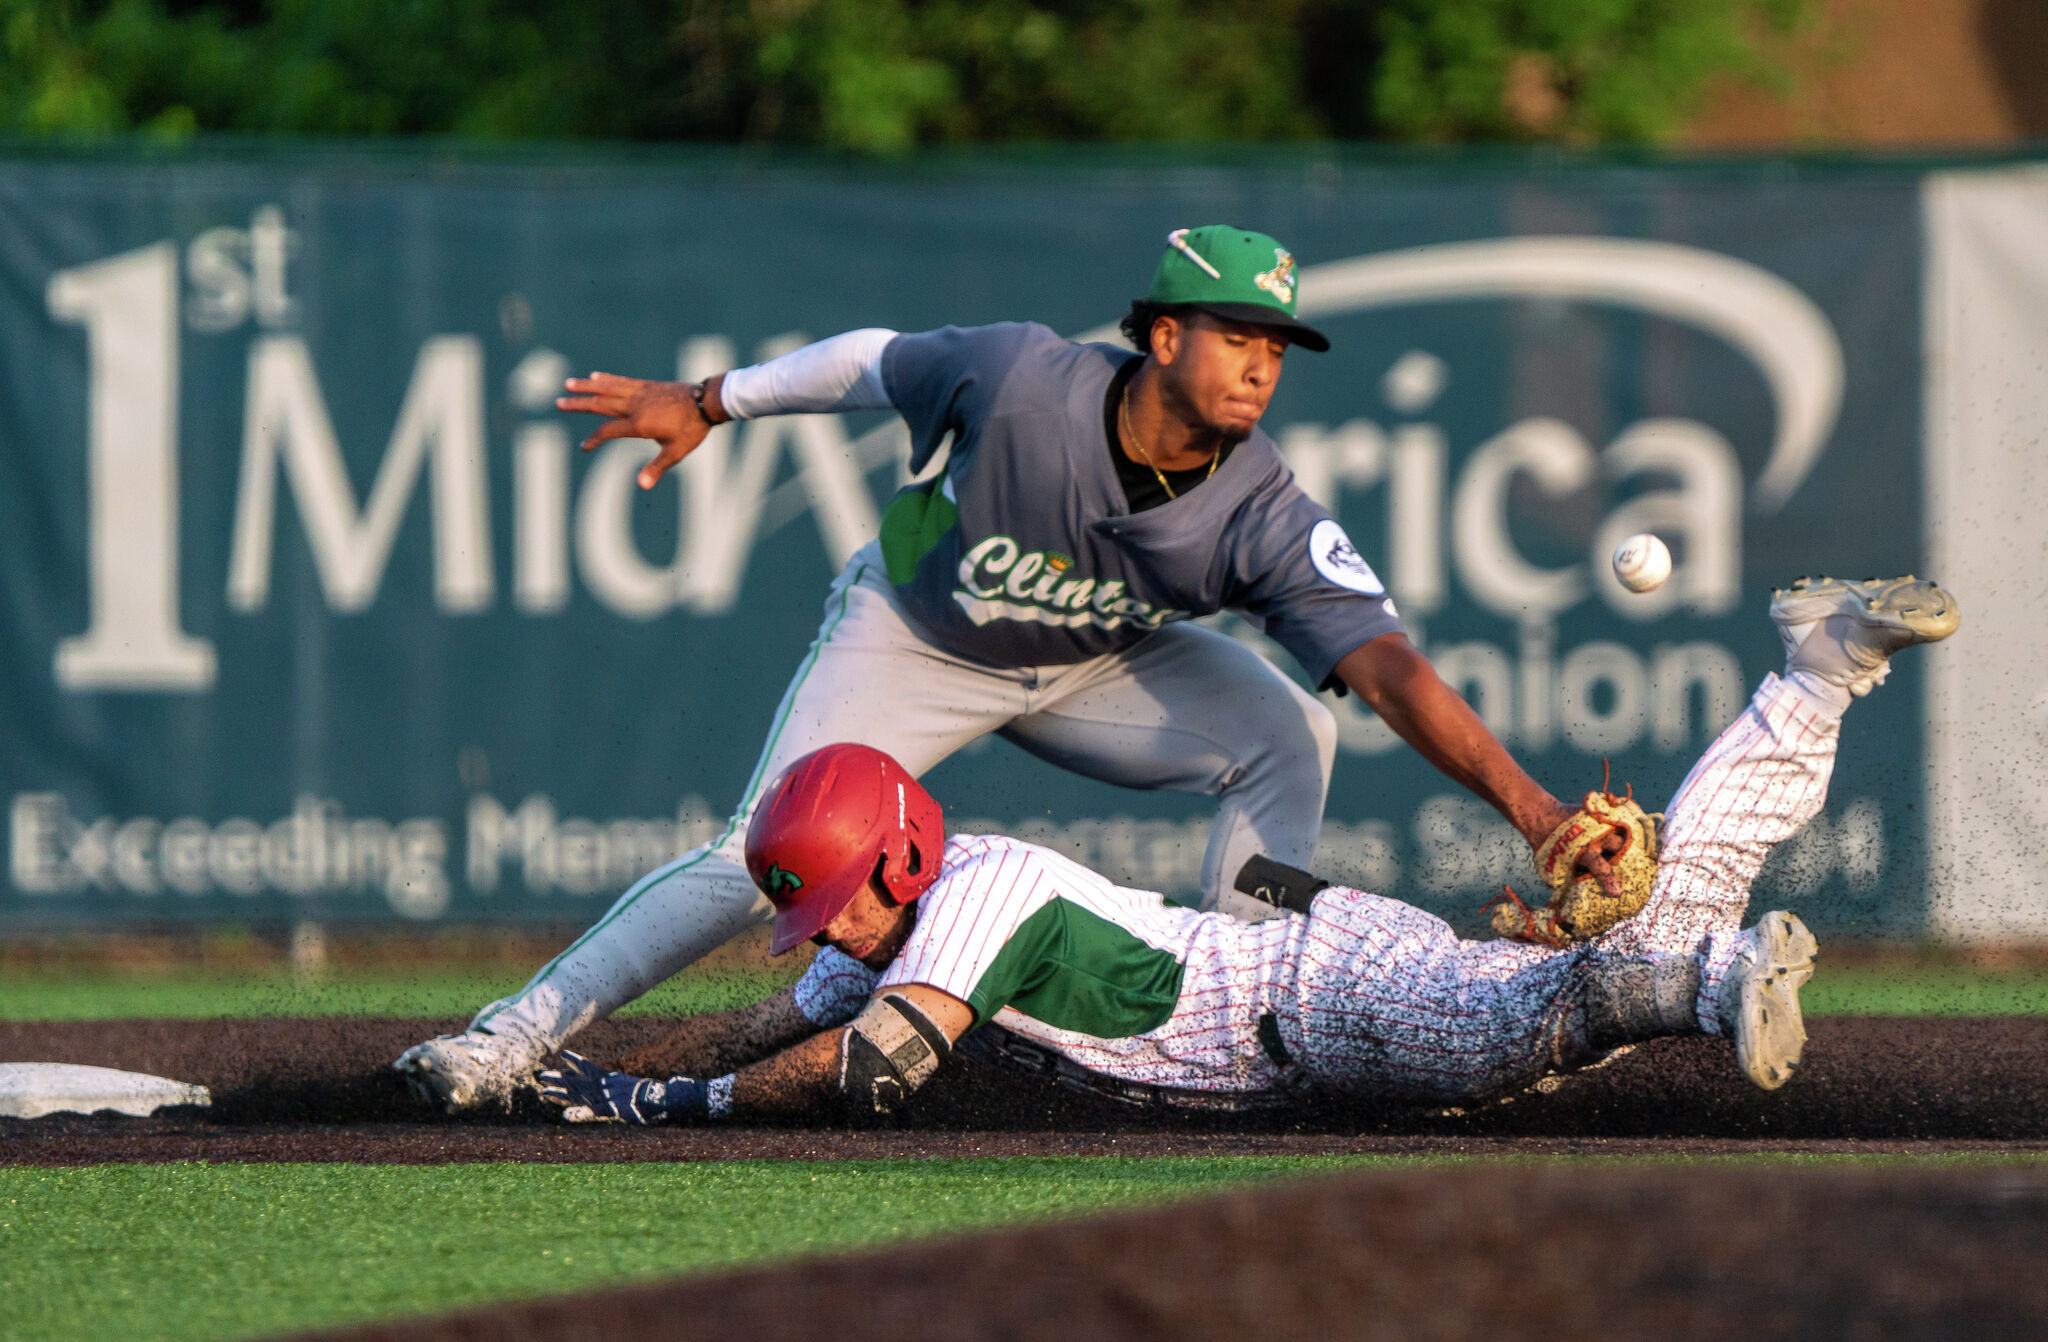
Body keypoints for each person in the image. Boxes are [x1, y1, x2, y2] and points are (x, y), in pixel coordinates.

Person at [401, 226, 1620, 1112]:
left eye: (1277, 344)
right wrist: (712, 401)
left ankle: (1235, 1018)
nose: (1260, 362)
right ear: (1160, 334)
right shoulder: (1023, 377)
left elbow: (1388, 665)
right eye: (1235, 333)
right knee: (747, 859)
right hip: (912, 633)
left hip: (1095, 663)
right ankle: (506, 1041)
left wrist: (1534, 810)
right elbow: (869, 361)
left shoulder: (1260, 507)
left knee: (1290, 729)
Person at [533, 576, 1960, 1124]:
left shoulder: (978, 895)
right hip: (1308, 969)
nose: (826, 934)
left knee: (1548, 1012)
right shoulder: (889, 934)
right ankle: (1816, 671)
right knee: (1629, 941)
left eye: (836, 905)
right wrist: (608, 1071)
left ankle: (1710, 984)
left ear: (901, 862)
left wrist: (684, 1113)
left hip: (1318, 1000)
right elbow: (776, 1018)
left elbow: (873, 1067)